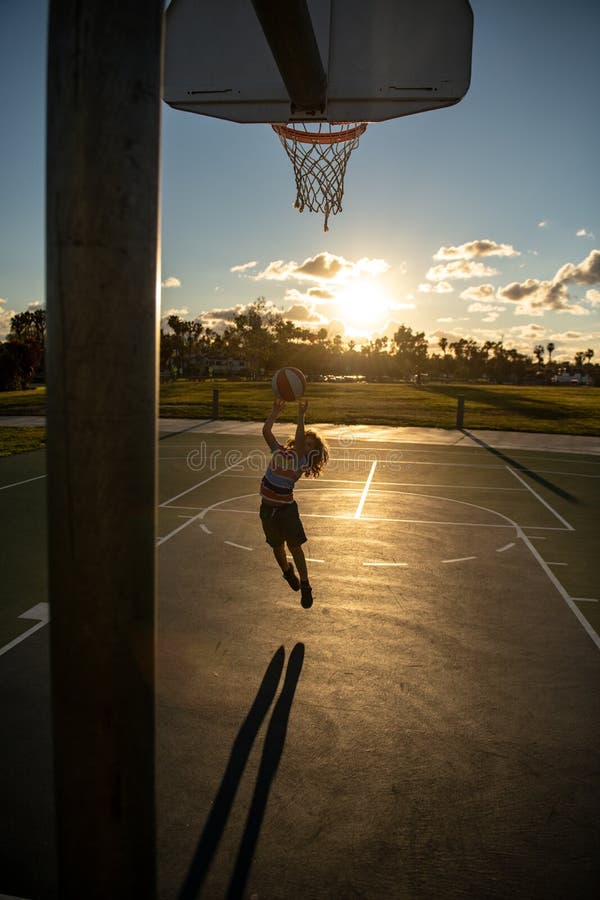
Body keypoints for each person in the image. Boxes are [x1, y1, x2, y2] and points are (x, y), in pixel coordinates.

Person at [259, 397, 329, 608]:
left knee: (295, 547)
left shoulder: (302, 462)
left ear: (311, 452)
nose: (304, 445)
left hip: (286, 510)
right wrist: (274, 412)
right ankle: (288, 572)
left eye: (309, 445)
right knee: (276, 547)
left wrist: (300, 415)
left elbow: (299, 443)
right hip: (267, 509)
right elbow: (266, 432)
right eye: (304, 442)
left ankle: (306, 585)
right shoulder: (280, 451)